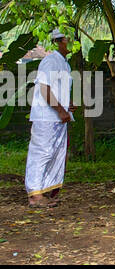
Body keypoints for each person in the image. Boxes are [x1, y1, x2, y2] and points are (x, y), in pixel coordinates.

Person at [25, 29, 73, 208]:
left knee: (54, 154)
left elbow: (57, 89)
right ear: (59, 41)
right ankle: (35, 195)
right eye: (69, 39)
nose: (73, 43)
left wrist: (67, 105)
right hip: (46, 117)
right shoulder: (50, 61)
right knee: (42, 152)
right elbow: (44, 88)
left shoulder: (63, 63)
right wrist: (60, 110)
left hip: (56, 117)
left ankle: (43, 191)